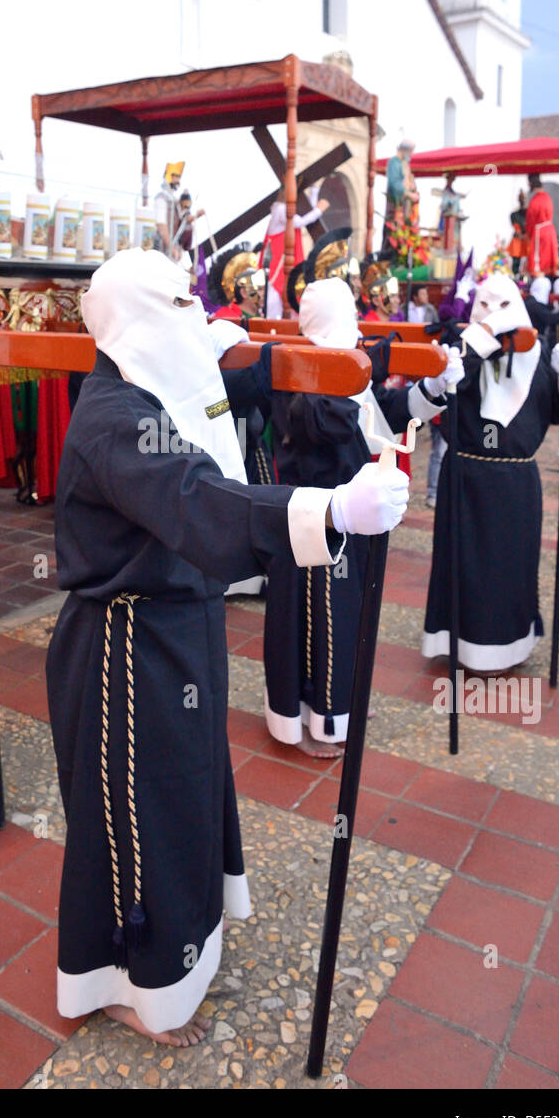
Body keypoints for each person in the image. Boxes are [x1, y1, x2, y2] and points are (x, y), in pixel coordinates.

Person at [44, 248, 408, 1046]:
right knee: (137, 818)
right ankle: (133, 982)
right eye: (174, 306)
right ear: (137, 321)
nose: (190, 318)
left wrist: (321, 357)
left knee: (183, 800)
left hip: (174, 630)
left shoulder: (155, 384)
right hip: (125, 648)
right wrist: (329, 512)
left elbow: (233, 382)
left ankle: (179, 947)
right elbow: (196, 498)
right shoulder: (117, 417)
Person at [263, 277, 458, 756]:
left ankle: (343, 701)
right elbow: (330, 421)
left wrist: (432, 385)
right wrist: (374, 366)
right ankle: (318, 722)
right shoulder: (299, 373)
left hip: (355, 521)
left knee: (352, 617)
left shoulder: (350, 369)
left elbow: (386, 412)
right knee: (318, 621)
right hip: (316, 522)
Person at [421, 271, 559, 671]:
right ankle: (460, 643)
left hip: (515, 484)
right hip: (465, 478)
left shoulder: (539, 351)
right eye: (486, 306)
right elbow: (444, 384)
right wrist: (487, 333)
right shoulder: (462, 349)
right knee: (463, 567)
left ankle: (508, 646)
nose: (494, 315)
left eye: (505, 307)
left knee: (510, 568)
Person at [207, 246, 265, 323]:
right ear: (244, 292)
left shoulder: (262, 314)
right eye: (260, 288)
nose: (265, 293)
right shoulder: (225, 320)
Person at [383, 138, 419, 258]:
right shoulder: (394, 163)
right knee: (392, 235)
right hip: (395, 205)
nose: (411, 155)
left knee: (405, 235)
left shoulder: (404, 164)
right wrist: (408, 193)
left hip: (404, 208)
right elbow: (394, 184)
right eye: (410, 151)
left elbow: (407, 180)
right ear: (405, 150)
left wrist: (412, 187)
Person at [525, 173, 558, 278]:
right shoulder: (548, 197)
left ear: (531, 184)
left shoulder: (535, 201)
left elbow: (530, 221)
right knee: (549, 257)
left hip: (540, 232)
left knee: (539, 260)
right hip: (550, 230)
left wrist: (528, 234)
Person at [154, 161, 185, 257]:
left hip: (171, 249)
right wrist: (172, 249)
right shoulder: (161, 198)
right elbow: (161, 225)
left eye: (179, 177)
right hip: (161, 251)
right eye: (176, 177)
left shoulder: (174, 200)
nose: (178, 180)